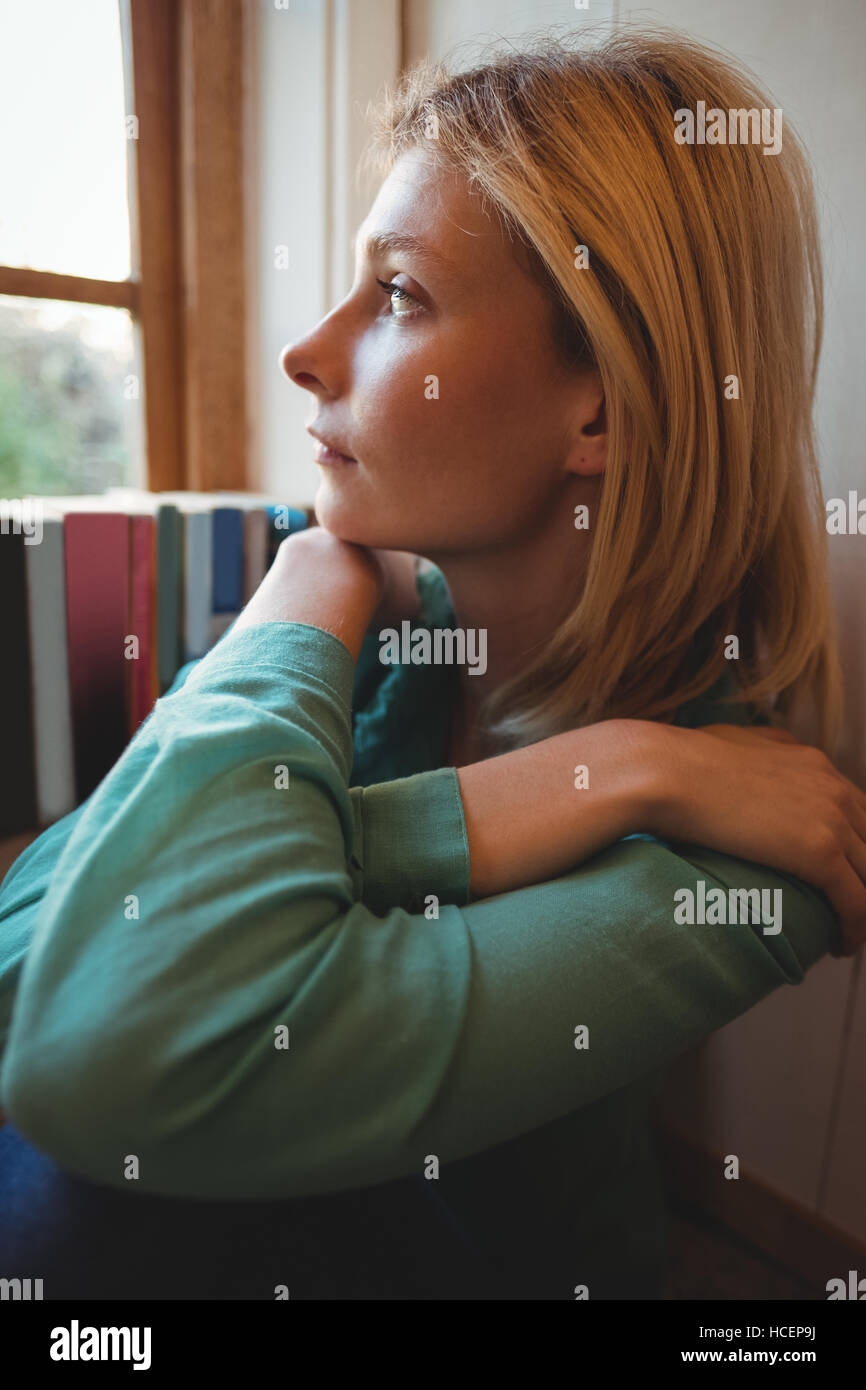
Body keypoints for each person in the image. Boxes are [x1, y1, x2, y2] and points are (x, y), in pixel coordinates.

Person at [1, 29, 864, 1301]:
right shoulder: (351, 621)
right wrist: (598, 767)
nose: (306, 349)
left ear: (602, 412)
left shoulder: (752, 846)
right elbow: (27, 951)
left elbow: (102, 1045)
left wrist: (335, 818)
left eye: (397, 295)